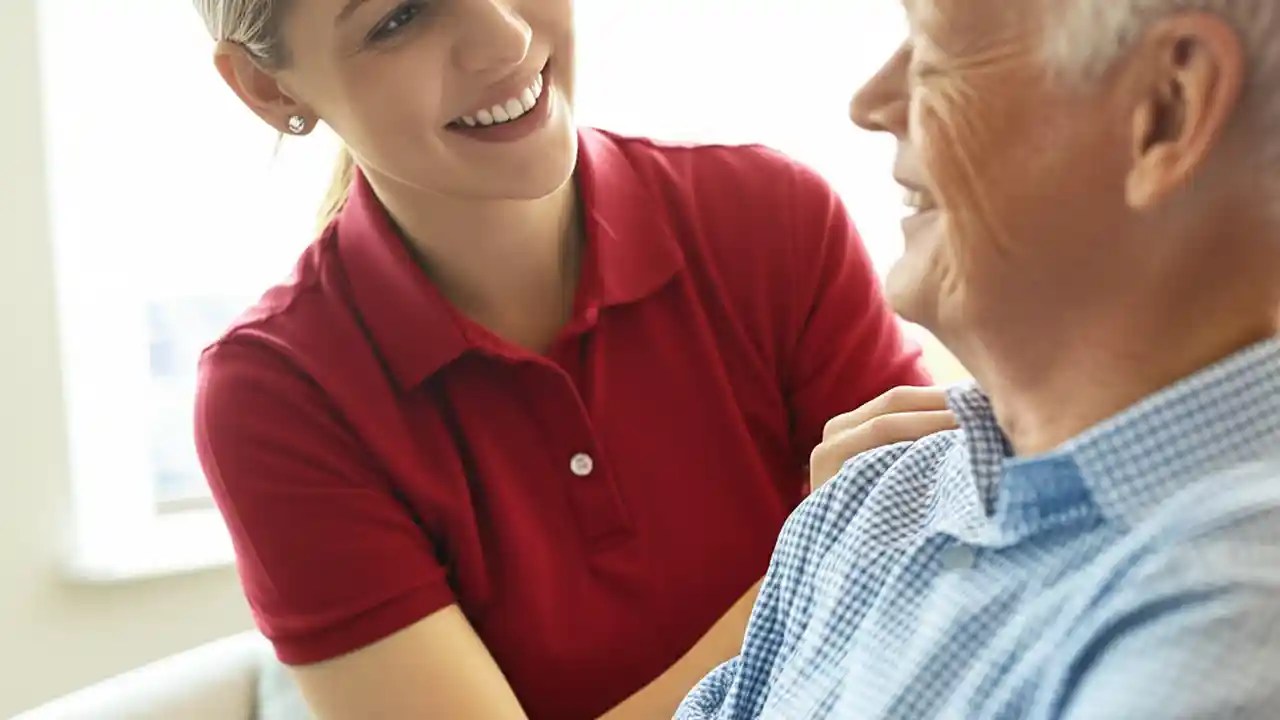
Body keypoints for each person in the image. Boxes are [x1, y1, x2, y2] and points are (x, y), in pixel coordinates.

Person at [189, 0, 942, 717]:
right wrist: (827, 552)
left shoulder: (773, 218)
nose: (506, 41)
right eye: (400, 18)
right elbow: (891, 560)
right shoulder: (277, 396)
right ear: (265, 85)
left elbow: (955, 599)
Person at [678, 0, 1280, 718]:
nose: (870, 103)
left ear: (1166, 110)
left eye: (933, 51)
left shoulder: (1235, 596)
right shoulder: (869, 496)